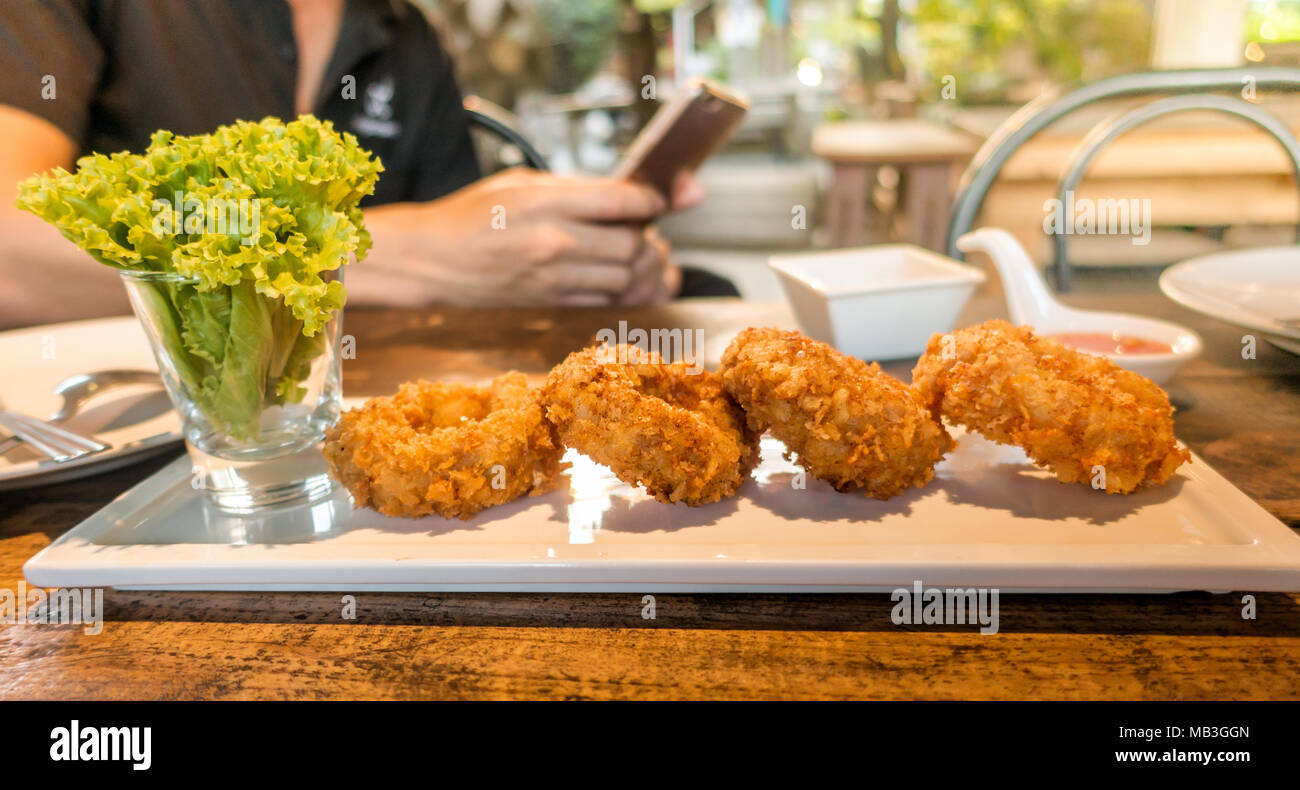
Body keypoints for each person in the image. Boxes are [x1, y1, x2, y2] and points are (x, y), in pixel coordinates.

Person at [0, 0, 705, 329]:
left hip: (352, 440)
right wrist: (389, 256)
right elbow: (10, 253)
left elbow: (475, 289)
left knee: (709, 288)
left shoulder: (406, 36)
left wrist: (574, 265)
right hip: (112, 473)